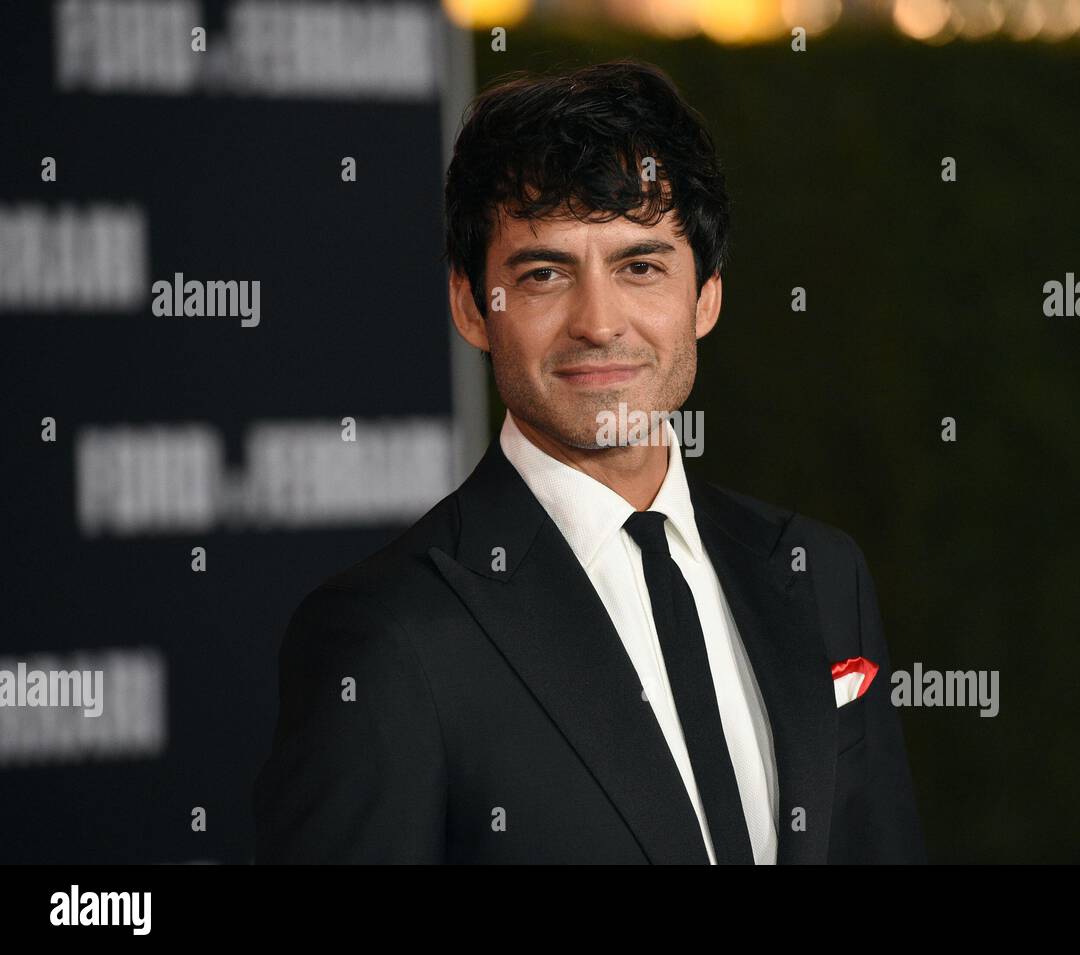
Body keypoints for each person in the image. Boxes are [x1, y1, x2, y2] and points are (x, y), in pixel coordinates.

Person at [253, 59, 925, 864]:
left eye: (640, 266)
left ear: (706, 294)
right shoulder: (386, 640)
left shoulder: (821, 575)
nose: (599, 323)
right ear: (472, 305)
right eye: (544, 274)